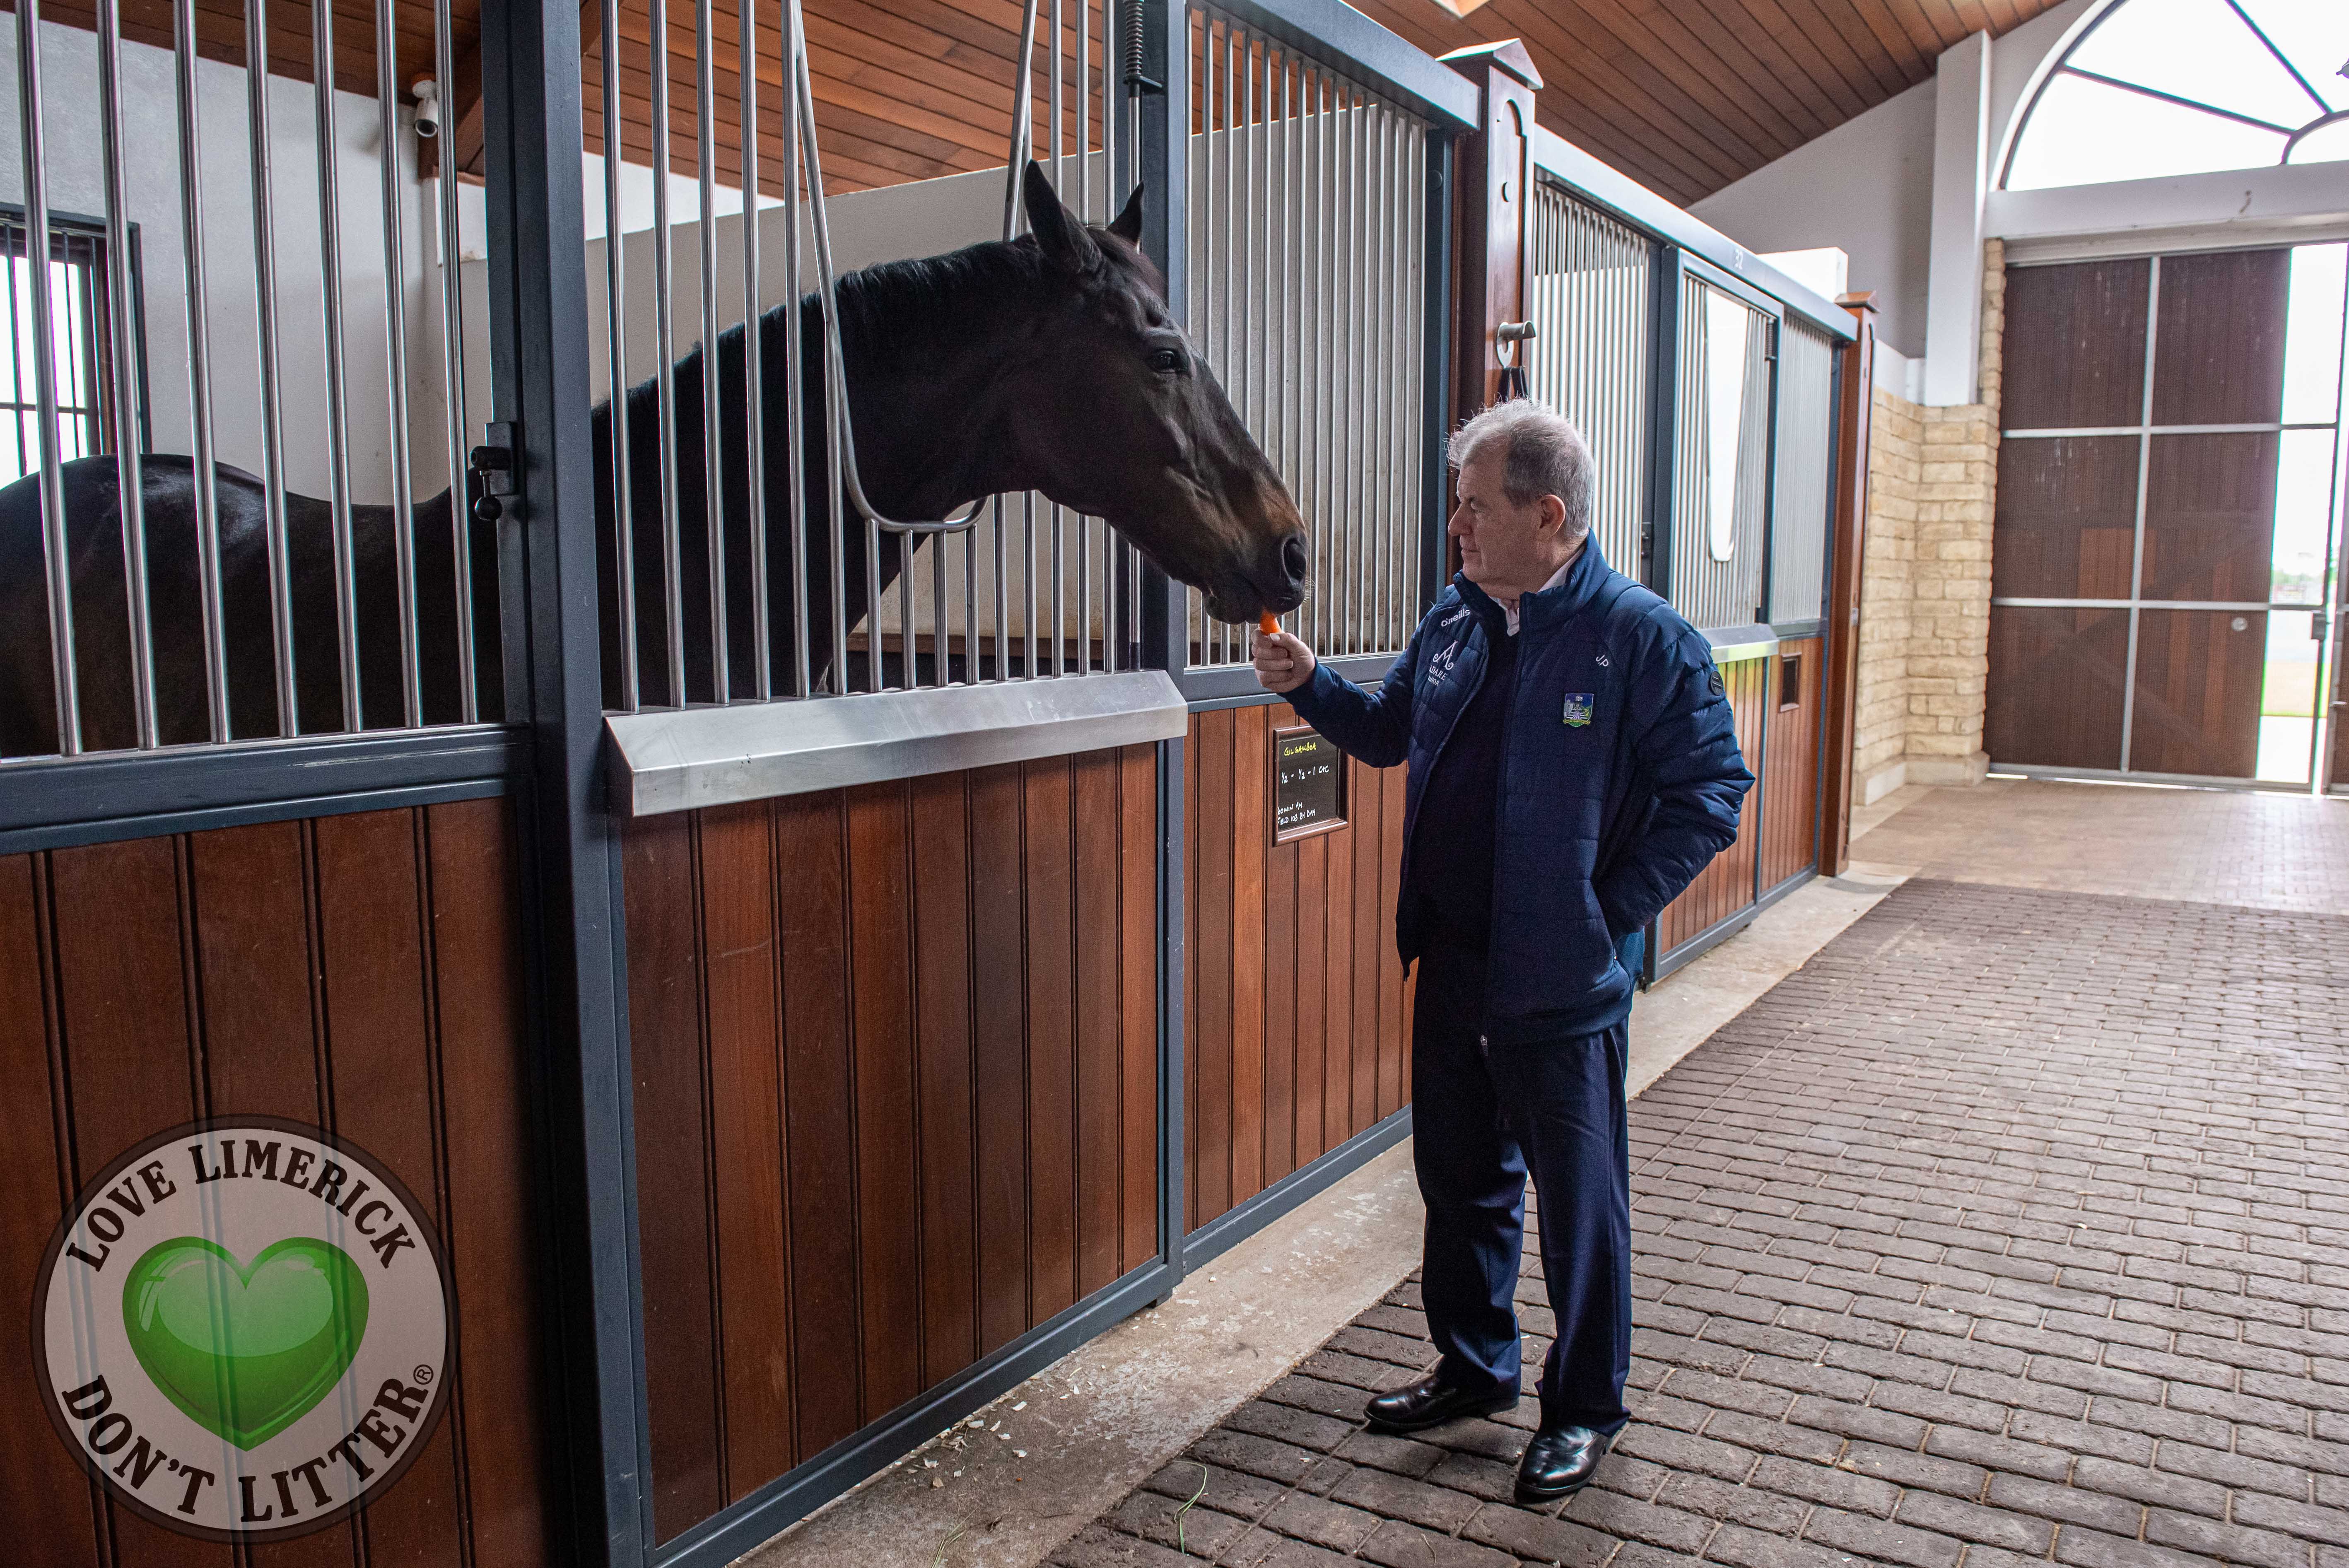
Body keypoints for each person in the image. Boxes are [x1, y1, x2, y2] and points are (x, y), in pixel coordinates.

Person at [1253, 398, 1751, 1503]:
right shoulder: (1457, 619)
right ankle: (1476, 1367)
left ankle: (1584, 1409)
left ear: (1552, 514)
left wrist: (1602, 909)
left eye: (1476, 506)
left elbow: (1713, 792)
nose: (1459, 528)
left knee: (1581, 1207)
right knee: (1461, 1183)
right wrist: (1312, 687)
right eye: (1459, 506)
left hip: (1562, 982)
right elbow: (1391, 735)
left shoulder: (1641, 640)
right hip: (1455, 960)